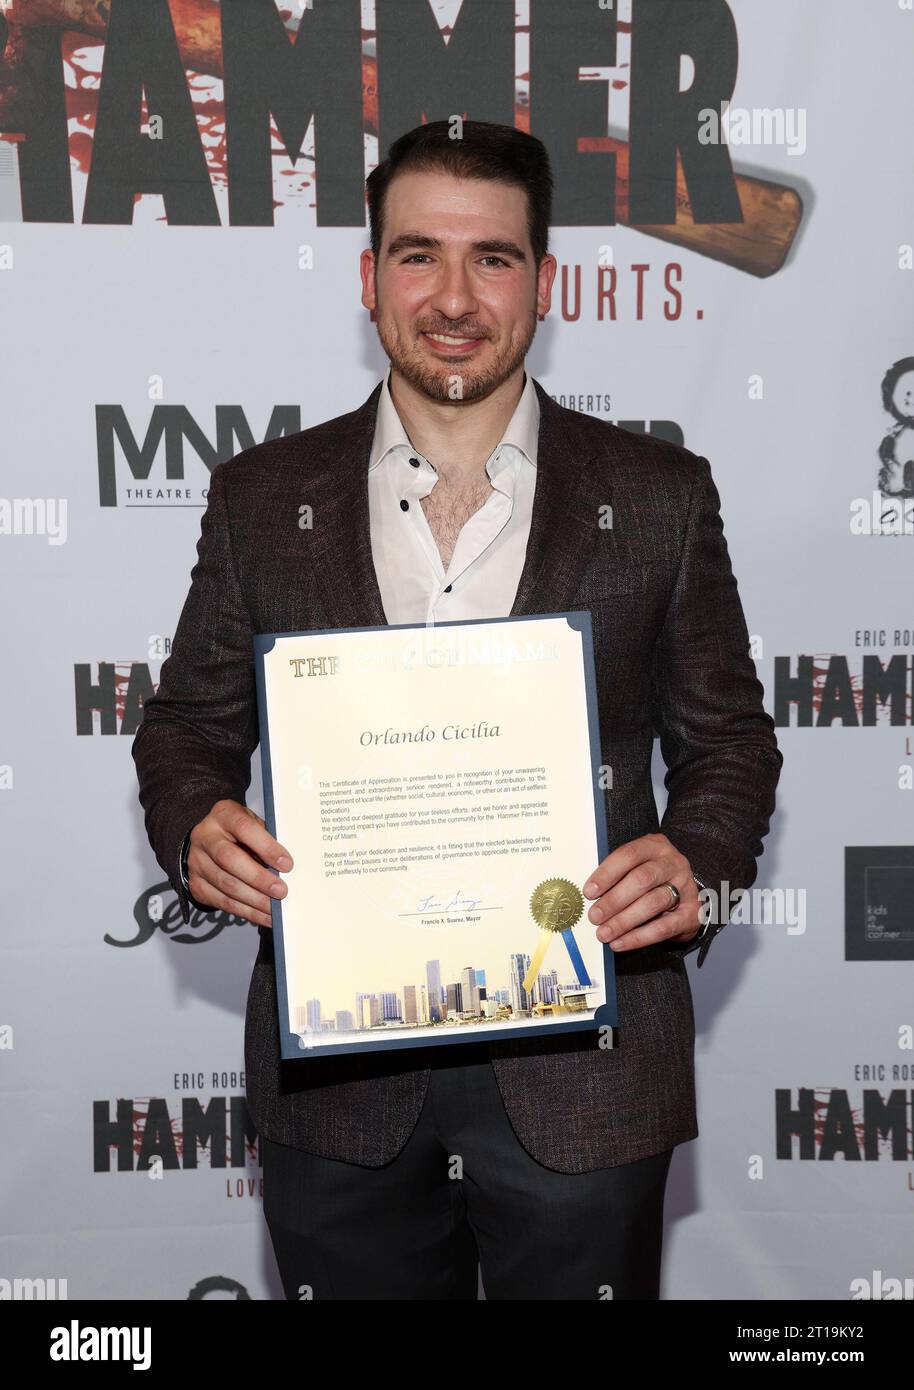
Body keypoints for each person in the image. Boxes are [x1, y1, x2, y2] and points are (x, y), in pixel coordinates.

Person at [132, 119, 782, 1301]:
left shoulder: (658, 496)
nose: (452, 297)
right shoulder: (260, 497)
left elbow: (729, 741)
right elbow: (186, 729)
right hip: (340, 1082)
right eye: (417, 254)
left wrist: (696, 858)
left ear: (542, 283)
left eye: (490, 258)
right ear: (367, 276)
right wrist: (194, 824)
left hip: (587, 1070)